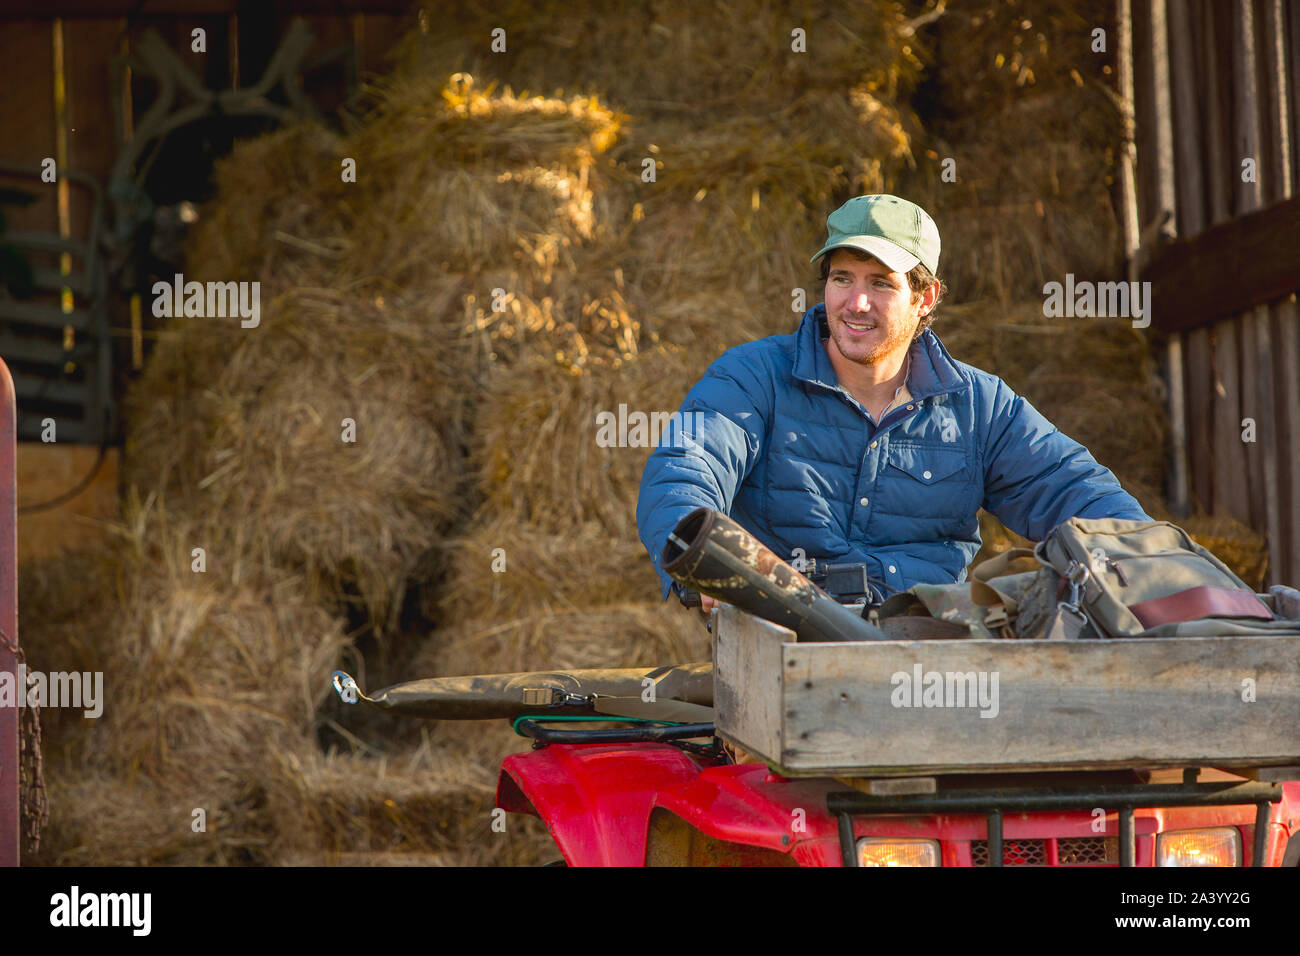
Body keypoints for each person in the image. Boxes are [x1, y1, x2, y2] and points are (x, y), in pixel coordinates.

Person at [636, 194, 1150, 610]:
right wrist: (710, 567)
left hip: (932, 649)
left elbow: (1074, 491)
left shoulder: (980, 407)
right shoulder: (751, 378)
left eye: (880, 284)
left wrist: (1155, 566)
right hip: (784, 643)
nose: (855, 303)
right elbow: (686, 470)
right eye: (842, 278)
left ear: (925, 298)